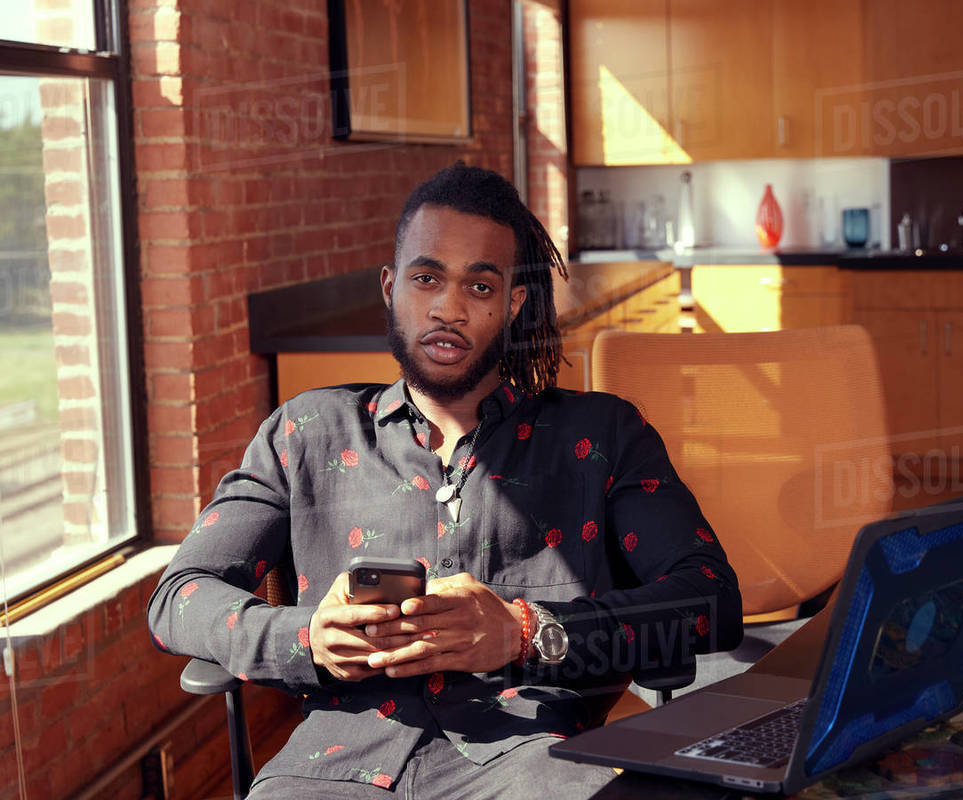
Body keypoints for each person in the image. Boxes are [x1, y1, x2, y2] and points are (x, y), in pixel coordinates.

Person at [147, 163, 743, 799]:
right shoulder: (307, 431)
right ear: (390, 286)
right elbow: (177, 596)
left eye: (480, 287)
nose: (448, 308)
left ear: (512, 303)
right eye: (426, 278)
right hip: (334, 766)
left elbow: (709, 603)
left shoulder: (600, 436)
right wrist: (304, 639)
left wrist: (524, 629)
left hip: (533, 761)